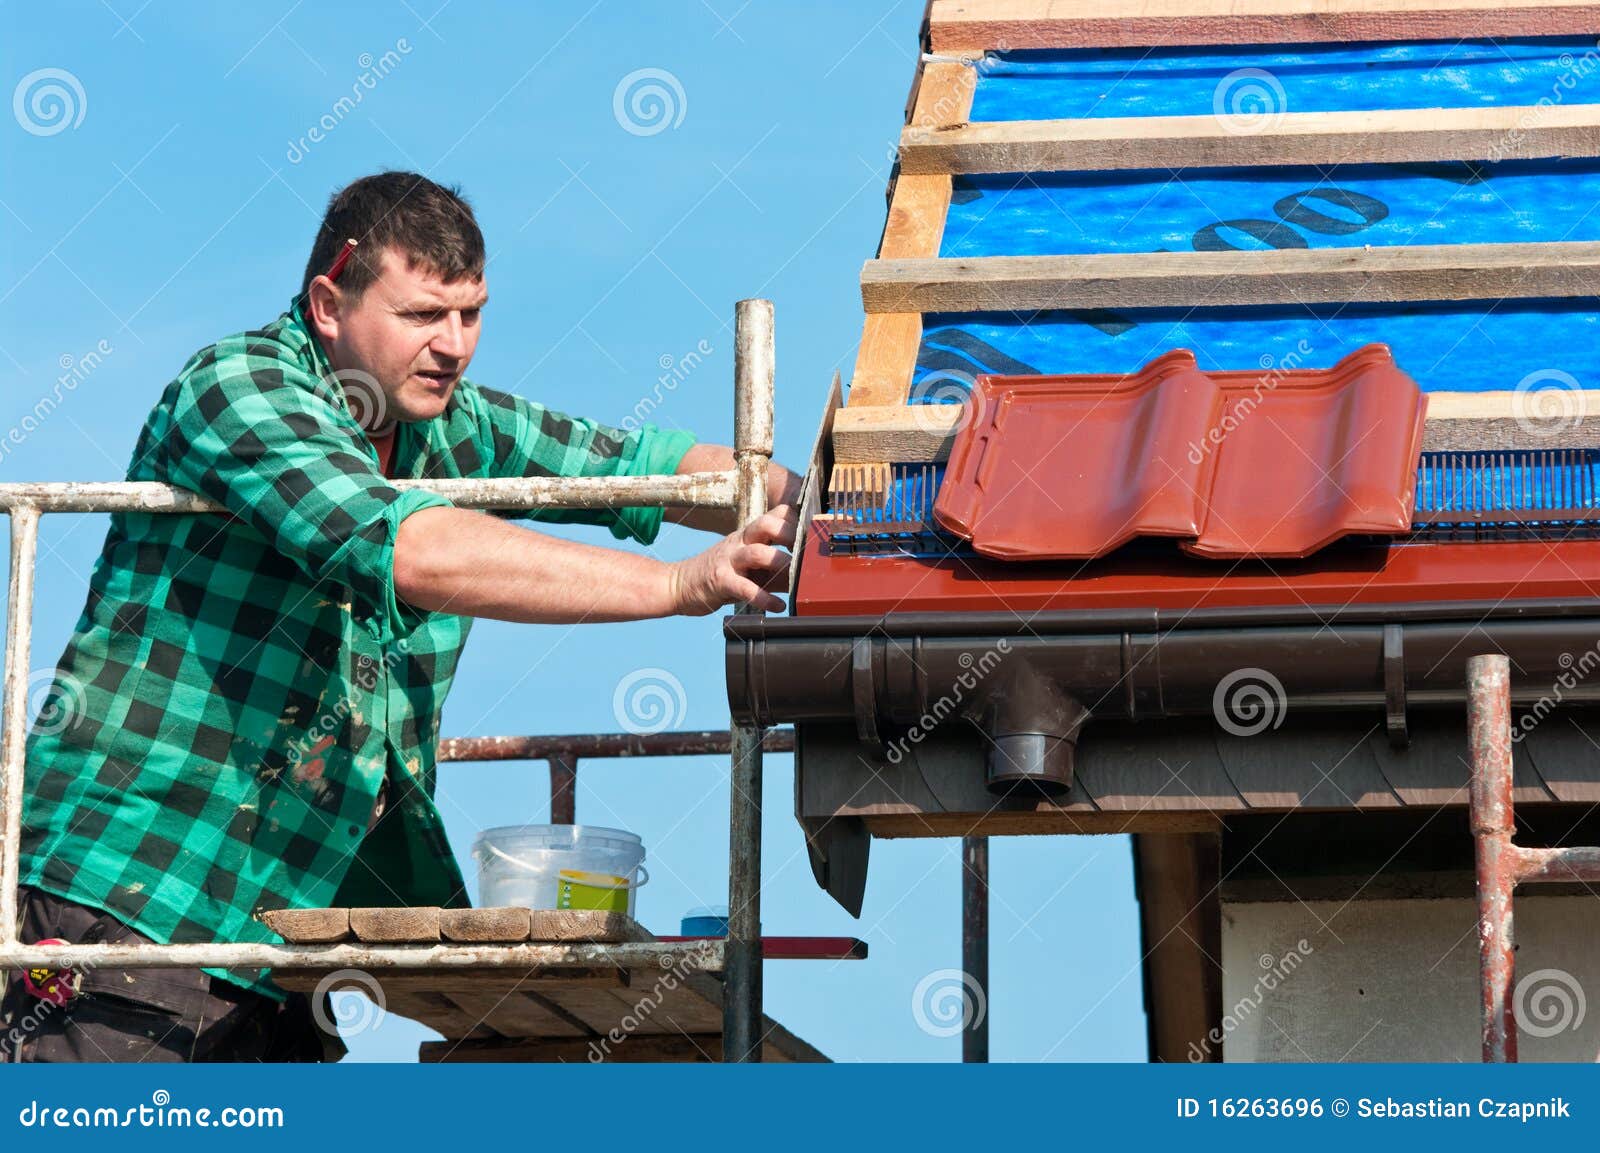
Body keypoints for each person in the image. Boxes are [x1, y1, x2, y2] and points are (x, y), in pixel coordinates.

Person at [1, 171, 798, 1062]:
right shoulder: (236, 388)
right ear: (329, 305)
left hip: (290, 933)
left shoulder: (448, 425)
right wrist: (680, 586)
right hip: (135, 897)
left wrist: (816, 505)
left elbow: (641, 464)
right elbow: (407, 548)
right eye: (423, 315)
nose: (454, 345)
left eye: (472, 313)